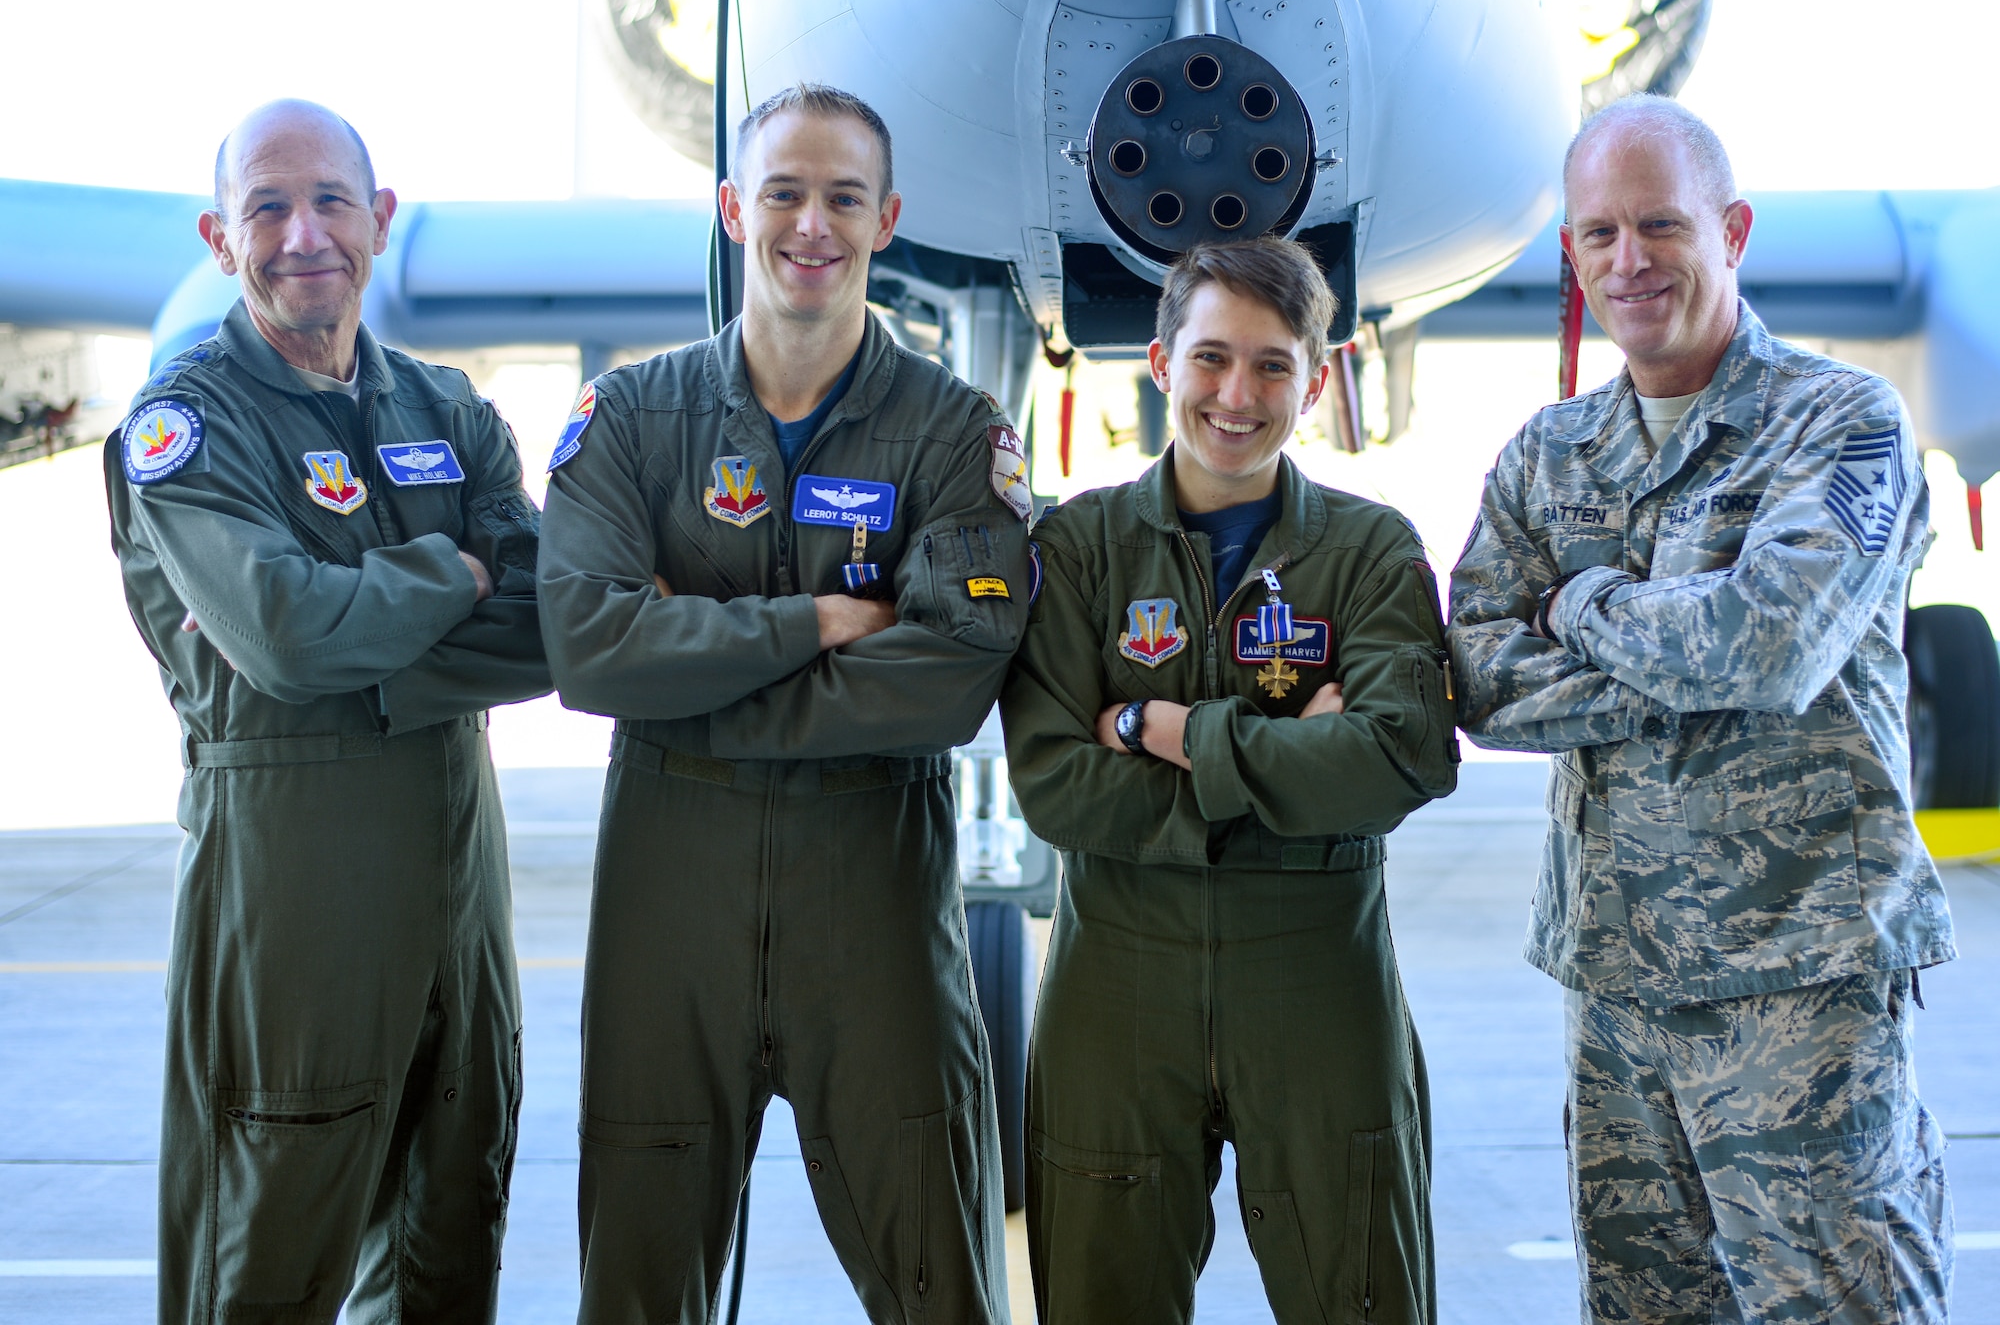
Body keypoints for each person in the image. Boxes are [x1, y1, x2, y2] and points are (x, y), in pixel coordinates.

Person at [1449, 94, 1956, 1323]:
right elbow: (1468, 670)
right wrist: (1676, 658)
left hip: (1799, 985)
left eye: (1660, 225)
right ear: (1571, 255)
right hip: (1615, 993)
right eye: (1598, 235)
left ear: (1729, 229)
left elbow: (1764, 643)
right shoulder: (1547, 454)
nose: (1629, 262)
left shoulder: (1841, 425)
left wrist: (1575, 606)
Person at [537, 82, 1030, 1325]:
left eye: (842, 198)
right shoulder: (633, 421)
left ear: (886, 219)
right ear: (730, 209)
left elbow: (950, 678)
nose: (810, 224)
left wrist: (689, 676)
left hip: (871, 901)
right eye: (783, 194)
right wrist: (807, 624)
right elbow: (590, 650)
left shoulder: (950, 432)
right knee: (639, 1281)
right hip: (669, 905)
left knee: (935, 1273)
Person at [104, 99, 551, 1324]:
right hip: (293, 882)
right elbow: (285, 634)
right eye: (267, 206)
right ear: (219, 236)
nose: (304, 234)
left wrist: (377, 643)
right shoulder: (188, 424)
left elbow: (546, 621)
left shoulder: (444, 410)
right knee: (270, 1242)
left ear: (381, 220)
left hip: (461, 885)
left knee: (450, 1232)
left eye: (331, 202)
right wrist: (450, 573)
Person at [1000, 237, 1457, 1325]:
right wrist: (1286, 764)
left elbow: (1401, 756)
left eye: (1270, 364)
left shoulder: (1367, 549)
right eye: (1209, 359)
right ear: (1160, 363)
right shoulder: (1078, 548)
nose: (1235, 395)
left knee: (1363, 1299)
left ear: (1316, 375)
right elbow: (1055, 784)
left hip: (1319, 992)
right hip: (1117, 991)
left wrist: (1160, 727)